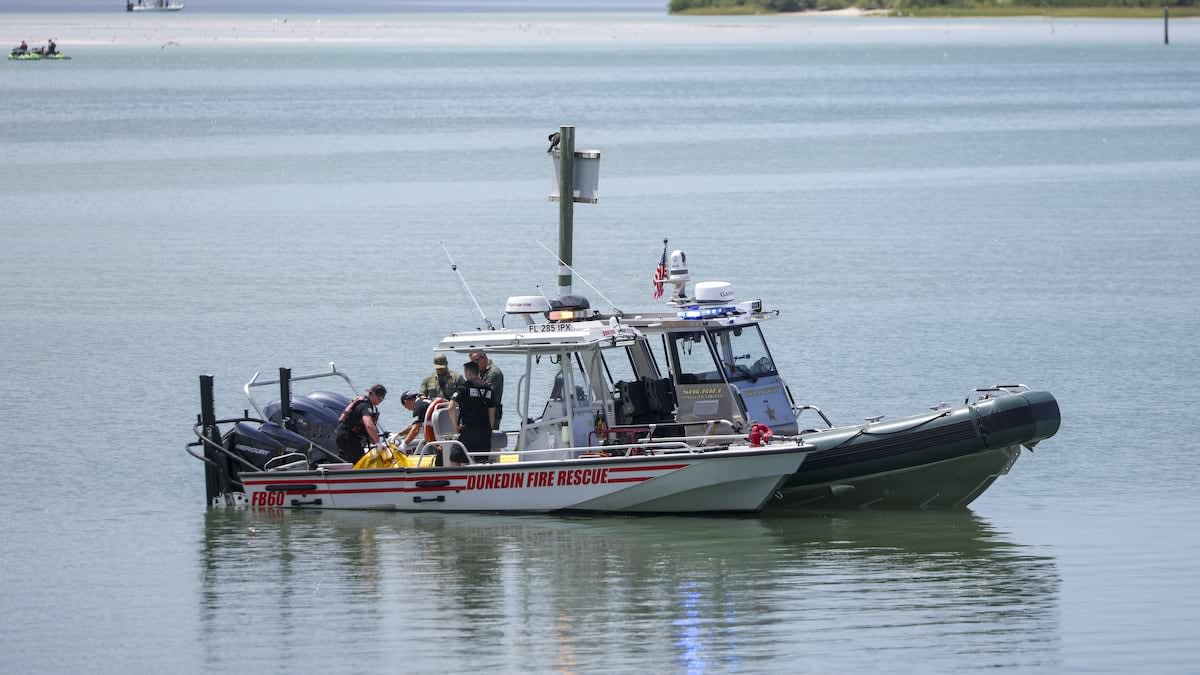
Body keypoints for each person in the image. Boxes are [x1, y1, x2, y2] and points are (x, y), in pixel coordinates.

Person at [447, 360, 495, 465]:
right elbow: (492, 412)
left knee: (454, 457)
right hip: (485, 432)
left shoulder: (464, 388)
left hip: (469, 430)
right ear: (477, 372)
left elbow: (450, 408)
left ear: (468, 373)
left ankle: (459, 480)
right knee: (482, 461)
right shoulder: (489, 389)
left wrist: (456, 427)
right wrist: (489, 430)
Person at [334, 383, 386, 465]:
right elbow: (368, 425)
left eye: (383, 398)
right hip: (347, 436)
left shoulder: (371, 407)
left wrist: (376, 440)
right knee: (361, 462)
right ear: (372, 394)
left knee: (353, 460)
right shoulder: (365, 406)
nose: (381, 400)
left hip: (350, 436)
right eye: (380, 397)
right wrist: (378, 443)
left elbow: (370, 429)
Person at [469, 350, 503, 429]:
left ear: (483, 358)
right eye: (472, 362)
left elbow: (485, 393)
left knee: (489, 438)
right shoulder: (481, 371)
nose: (474, 365)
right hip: (482, 412)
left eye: (476, 361)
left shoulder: (493, 373)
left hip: (491, 413)